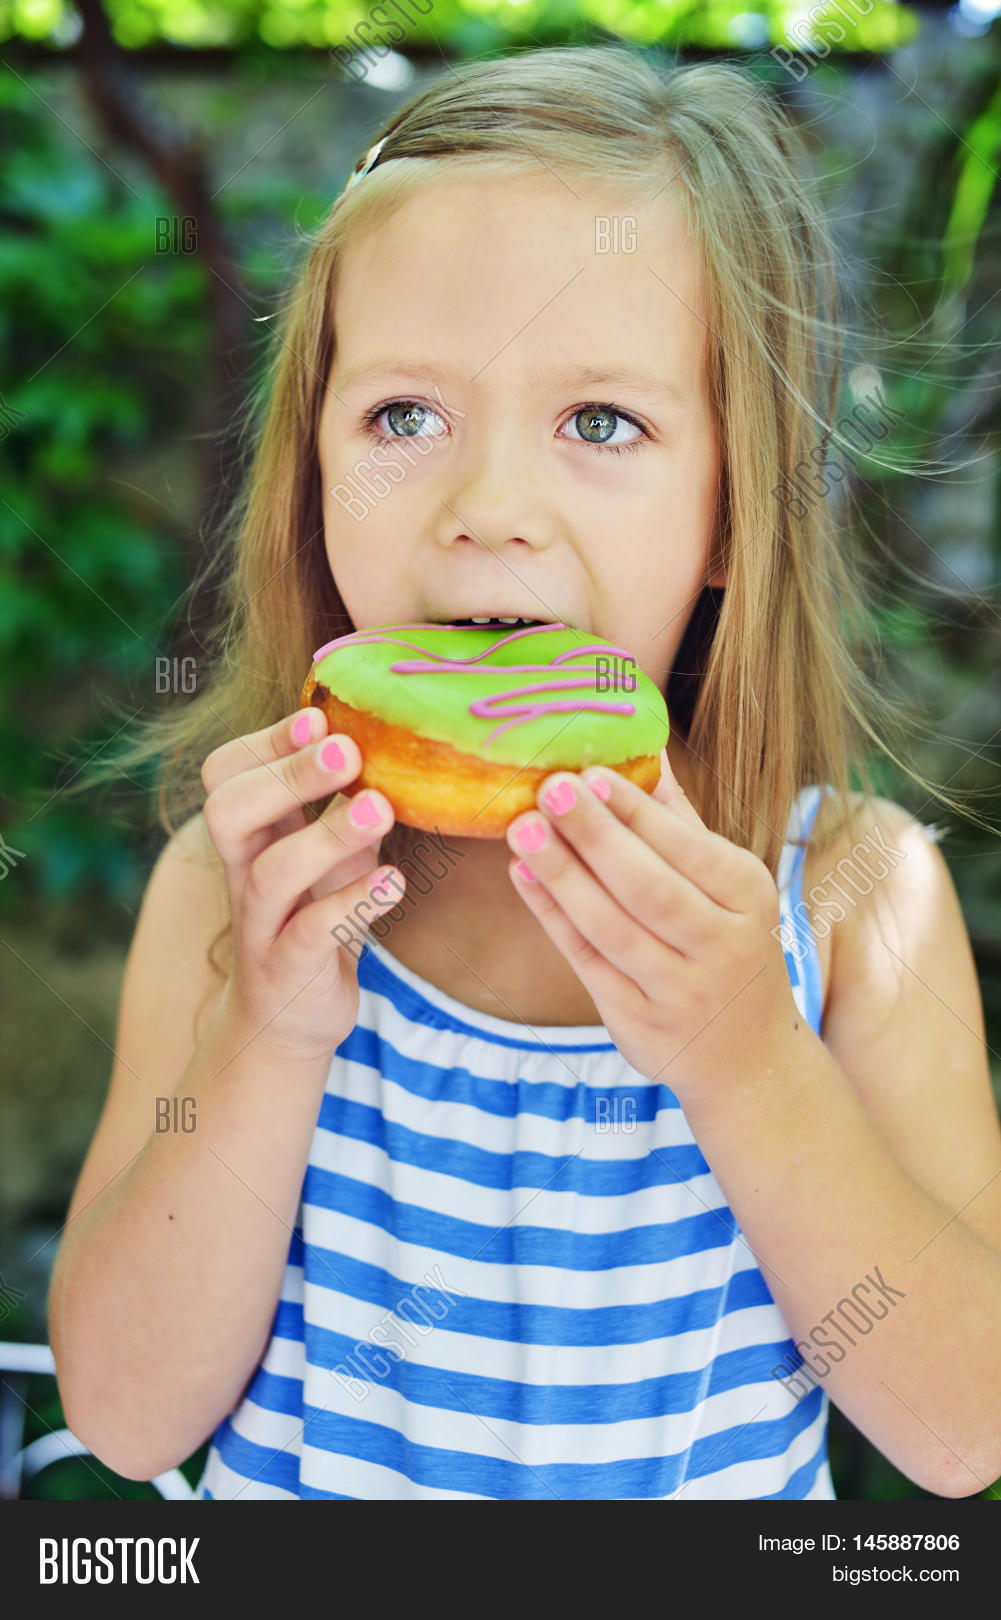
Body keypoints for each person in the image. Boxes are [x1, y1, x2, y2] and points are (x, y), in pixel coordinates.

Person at [48, 43, 1001, 1500]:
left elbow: (961, 1434)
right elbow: (123, 1416)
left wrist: (745, 1055)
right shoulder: (239, 884)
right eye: (403, 418)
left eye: (600, 423)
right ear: (311, 477)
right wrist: (265, 1033)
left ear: (733, 513)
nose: (486, 509)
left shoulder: (855, 899)